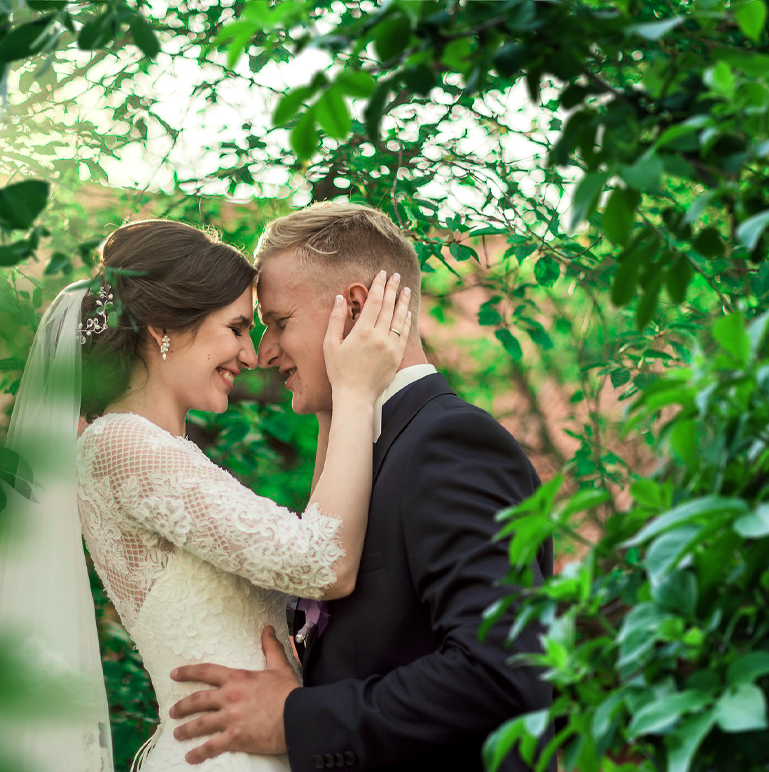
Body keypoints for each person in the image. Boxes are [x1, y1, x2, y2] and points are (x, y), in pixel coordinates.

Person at [0, 219, 412, 772]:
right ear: (162, 327)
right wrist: (357, 390)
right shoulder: (122, 445)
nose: (250, 354)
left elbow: (312, 545)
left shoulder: (160, 451)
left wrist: (334, 397)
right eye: (237, 328)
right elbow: (322, 563)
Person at [167, 203, 554, 772]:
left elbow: (504, 672)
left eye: (278, 321)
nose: (263, 352)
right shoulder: (367, 450)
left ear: (353, 306)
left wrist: (297, 718)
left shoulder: (449, 442)